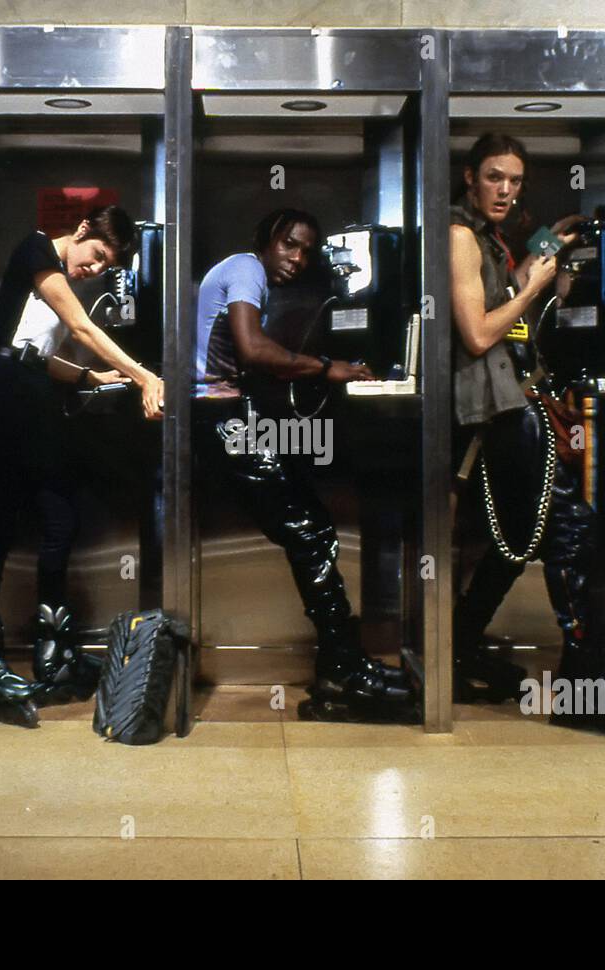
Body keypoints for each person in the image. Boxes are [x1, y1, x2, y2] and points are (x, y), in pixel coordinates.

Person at [449, 132, 605, 741]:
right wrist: (539, 286)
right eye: (495, 177)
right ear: (471, 177)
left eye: (515, 181)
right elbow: (478, 332)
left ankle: (459, 649)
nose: (505, 190)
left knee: (513, 539)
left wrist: (548, 242)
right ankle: (583, 689)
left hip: (509, 404)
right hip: (495, 410)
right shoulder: (459, 236)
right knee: (569, 532)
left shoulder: (487, 239)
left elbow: (508, 282)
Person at [194, 208, 417, 722]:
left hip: (232, 417)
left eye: (307, 250)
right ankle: (344, 670)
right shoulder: (246, 269)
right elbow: (251, 350)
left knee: (313, 524)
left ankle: (344, 660)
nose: (297, 258)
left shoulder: (244, 273)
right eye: (289, 245)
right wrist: (326, 367)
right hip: (221, 421)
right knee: (309, 533)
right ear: (266, 240)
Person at [0, 205, 164, 728]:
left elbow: (35, 350)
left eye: (105, 266)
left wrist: (89, 380)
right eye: (95, 256)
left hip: (30, 394)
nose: (95, 269)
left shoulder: (57, 275)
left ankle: (52, 652)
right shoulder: (35, 249)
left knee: (59, 518)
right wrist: (142, 377)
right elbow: (79, 326)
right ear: (81, 232)